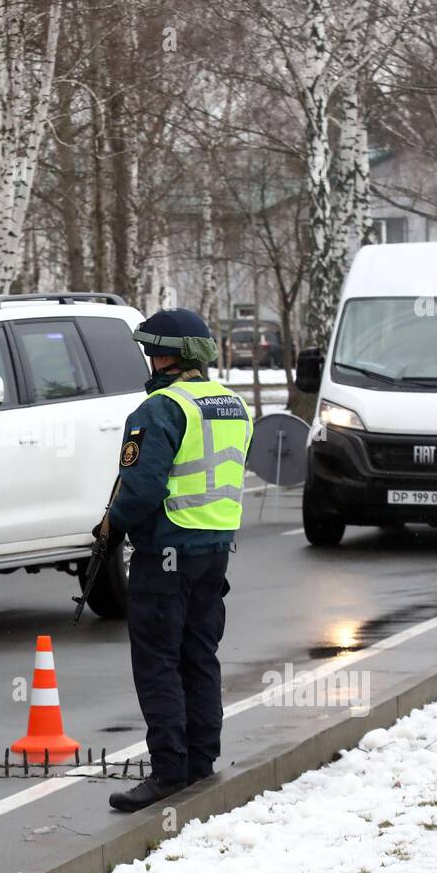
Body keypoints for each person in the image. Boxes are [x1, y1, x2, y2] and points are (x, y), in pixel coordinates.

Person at [101, 307, 253, 813]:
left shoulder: (160, 409)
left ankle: (168, 771)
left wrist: (111, 524)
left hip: (165, 551)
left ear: (172, 354)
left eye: (154, 348)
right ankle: (200, 762)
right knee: (198, 655)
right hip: (214, 551)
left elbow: (141, 489)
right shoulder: (234, 405)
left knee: (158, 663)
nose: (149, 355)